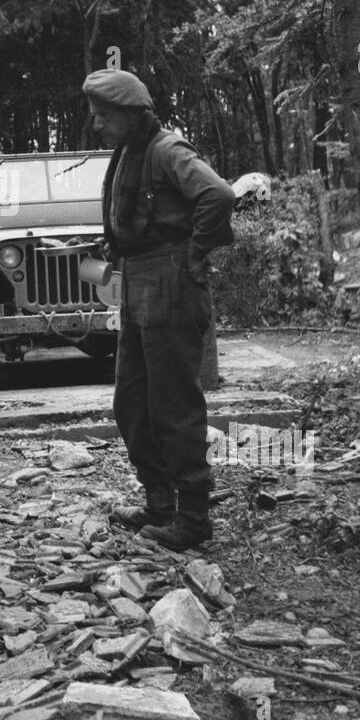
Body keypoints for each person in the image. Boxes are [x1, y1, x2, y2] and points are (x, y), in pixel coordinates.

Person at [83, 68, 236, 550]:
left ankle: (193, 517)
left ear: (132, 113)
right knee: (131, 403)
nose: (97, 124)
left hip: (171, 284)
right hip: (140, 284)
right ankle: (159, 502)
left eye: (104, 115)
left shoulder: (167, 149)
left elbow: (219, 195)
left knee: (173, 405)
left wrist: (193, 254)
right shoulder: (130, 152)